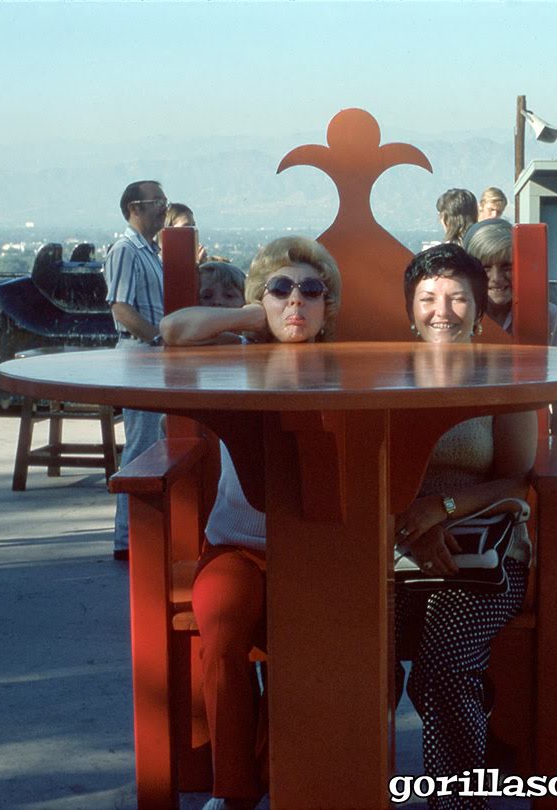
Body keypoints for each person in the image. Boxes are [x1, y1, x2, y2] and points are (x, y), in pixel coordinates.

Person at [159, 236, 342, 810]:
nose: (296, 300)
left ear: (328, 304)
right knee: (220, 634)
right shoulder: (235, 358)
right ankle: (233, 790)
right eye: (280, 289)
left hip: (318, 551)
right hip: (237, 546)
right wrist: (253, 314)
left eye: (311, 290)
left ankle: (276, 774)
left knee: (334, 647)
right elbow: (172, 331)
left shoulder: (349, 365)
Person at [394, 243, 537, 809]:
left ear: (478, 311)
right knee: (350, 650)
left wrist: (442, 508)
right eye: (428, 298)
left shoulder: (503, 379)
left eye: (457, 298)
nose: (441, 311)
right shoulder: (383, 378)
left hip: (487, 557)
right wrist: (415, 525)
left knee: (445, 666)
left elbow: (516, 478)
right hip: (395, 550)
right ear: (410, 310)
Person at [463, 218, 557, 447]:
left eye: (507, 266)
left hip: (528, 439)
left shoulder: (549, 317)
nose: (496, 278)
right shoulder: (460, 317)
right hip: (472, 437)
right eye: (486, 268)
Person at [104, 179, 169, 560]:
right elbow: (121, 307)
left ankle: (142, 534)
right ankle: (127, 538)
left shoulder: (152, 251)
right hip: (140, 354)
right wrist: (158, 338)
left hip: (152, 355)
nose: (164, 208)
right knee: (141, 447)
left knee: (153, 442)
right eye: (157, 201)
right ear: (135, 208)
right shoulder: (126, 250)